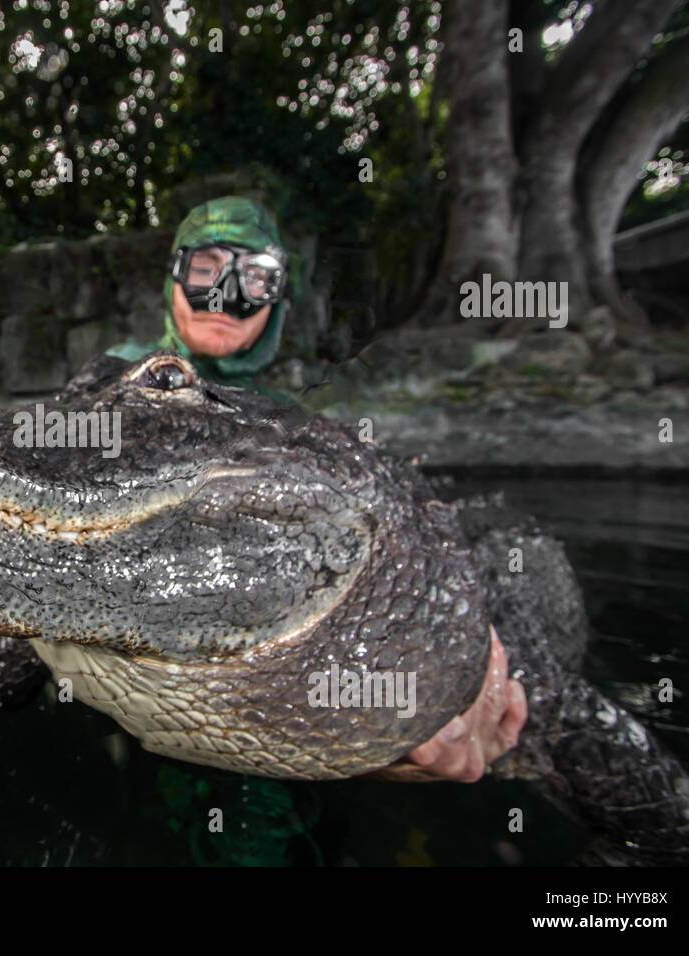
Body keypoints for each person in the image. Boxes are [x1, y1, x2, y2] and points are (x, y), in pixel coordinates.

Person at [111, 194, 528, 784]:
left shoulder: (306, 416)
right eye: (206, 269)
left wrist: (423, 692)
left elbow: (395, 528)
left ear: (276, 299)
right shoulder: (109, 386)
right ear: (174, 277)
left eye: (254, 278)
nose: (227, 296)